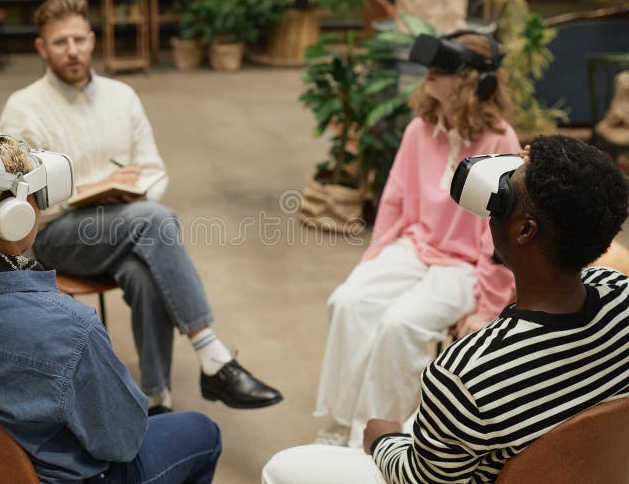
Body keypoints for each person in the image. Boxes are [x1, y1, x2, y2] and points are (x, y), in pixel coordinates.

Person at [263, 134, 629, 483]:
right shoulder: (621, 296)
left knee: (282, 467)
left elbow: (422, 479)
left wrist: (382, 441)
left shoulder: (464, 373)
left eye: (503, 192)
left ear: (524, 232)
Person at [0, 134, 222, 484]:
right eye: (37, 198)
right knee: (202, 433)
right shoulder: (68, 328)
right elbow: (123, 441)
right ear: (16, 216)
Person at [0, 0, 282, 414]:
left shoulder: (122, 97)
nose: (72, 51)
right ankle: (213, 356)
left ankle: (156, 398)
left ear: (93, 40)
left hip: (121, 226)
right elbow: (17, 196)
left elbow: (153, 169)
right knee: (155, 220)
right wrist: (92, 189)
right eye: (60, 43)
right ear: (41, 47)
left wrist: (127, 192)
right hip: (57, 236)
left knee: (144, 271)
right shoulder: (24, 108)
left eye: (79, 40)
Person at [313, 32, 521, 448]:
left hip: (464, 267)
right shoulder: (419, 130)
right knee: (348, 301)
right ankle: (337, 425)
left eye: (442, 70)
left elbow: (501, 238)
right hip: (415, 246)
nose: (429, 75)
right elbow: (393, 201)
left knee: (399, 325)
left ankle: (372, 438)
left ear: (473, 82)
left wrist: (488, 308)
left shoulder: (500, 142)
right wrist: (370, 263)